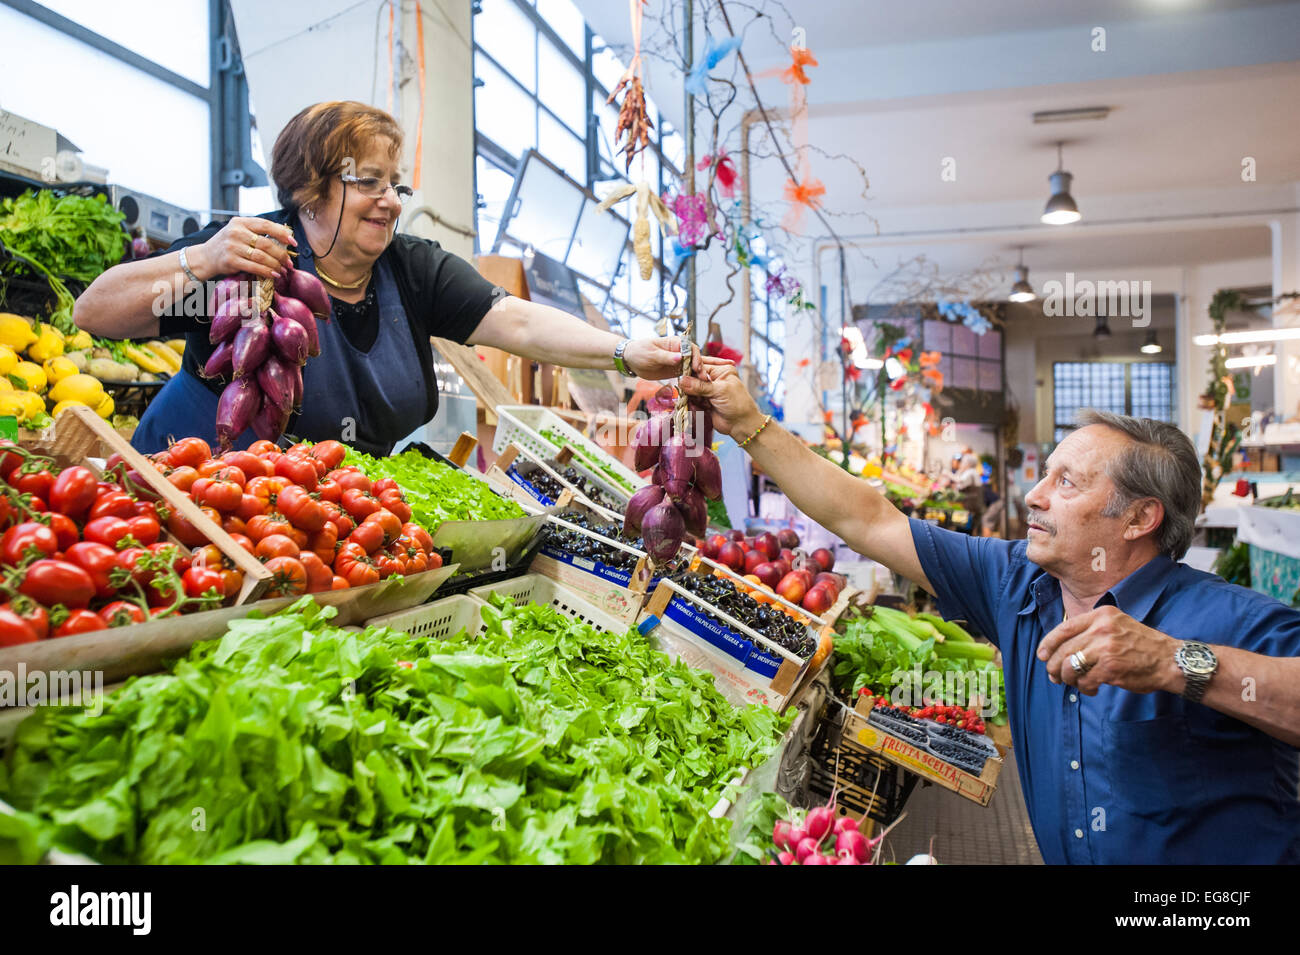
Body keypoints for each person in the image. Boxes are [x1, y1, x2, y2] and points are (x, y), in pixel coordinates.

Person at [682, 363, 1300, 864]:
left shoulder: (1223, 618)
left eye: (1066, 483)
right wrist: (751, 425)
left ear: (1139, 518)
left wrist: (1174, 662)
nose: (1034, 494)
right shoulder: (1017, 583)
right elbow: (867, 519)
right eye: (1045, 474)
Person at [74, 101, 700, 455]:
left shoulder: (413, 268)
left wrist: (624, 352)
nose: (391, 200)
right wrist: (200, 261)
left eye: (395, 184)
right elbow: (94, 314)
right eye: (367, 181)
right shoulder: (246, 254)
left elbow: (517, 320)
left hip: (320, 515)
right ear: (310, 190)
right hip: (195, 489)